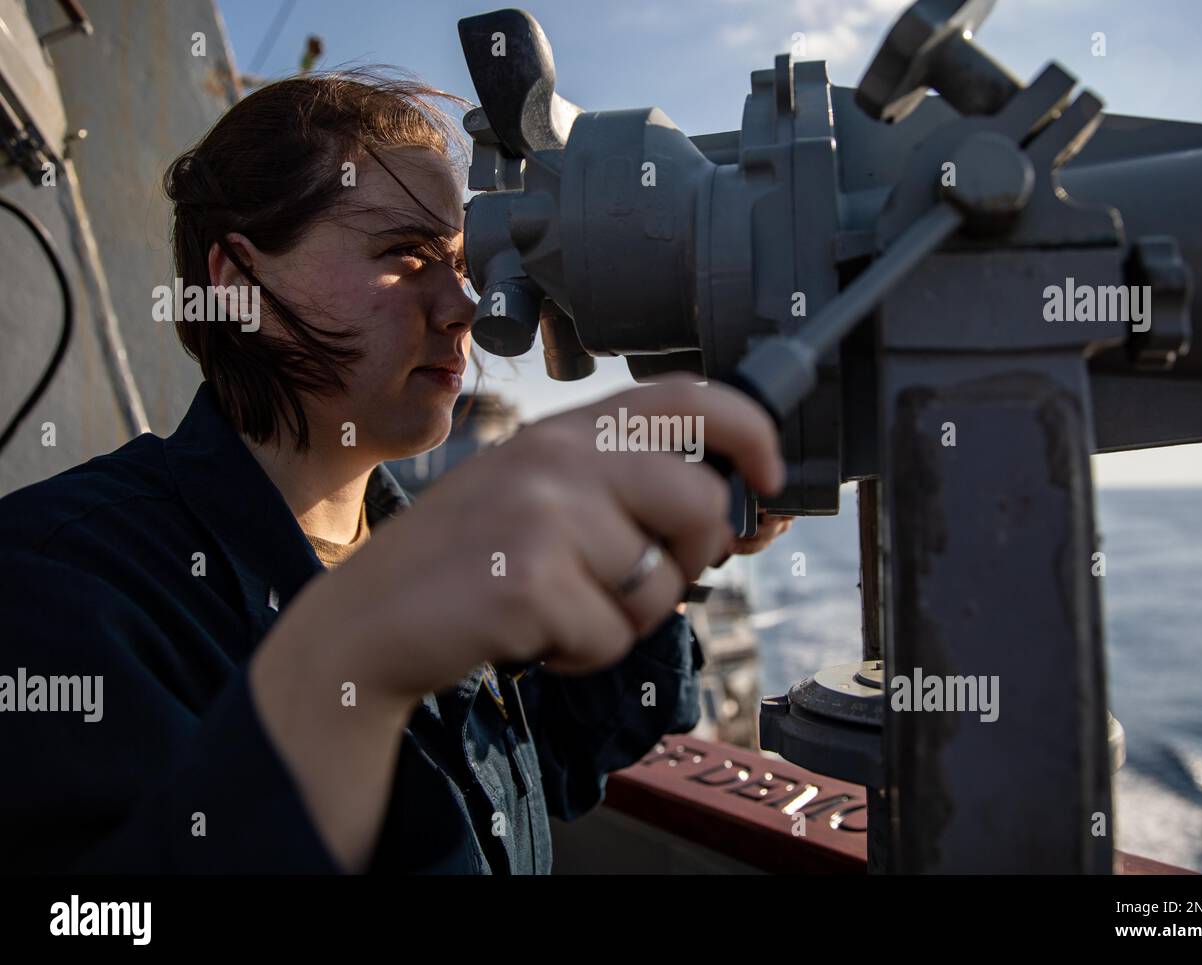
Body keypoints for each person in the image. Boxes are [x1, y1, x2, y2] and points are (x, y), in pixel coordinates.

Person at [0, 72, 792, 874]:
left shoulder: (416, 545)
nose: (464, 305)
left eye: (458, 261)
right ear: (240, 286)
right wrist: (348, 663)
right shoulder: (54, 581)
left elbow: (549, 766)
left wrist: (662, 542)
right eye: (404, 255)